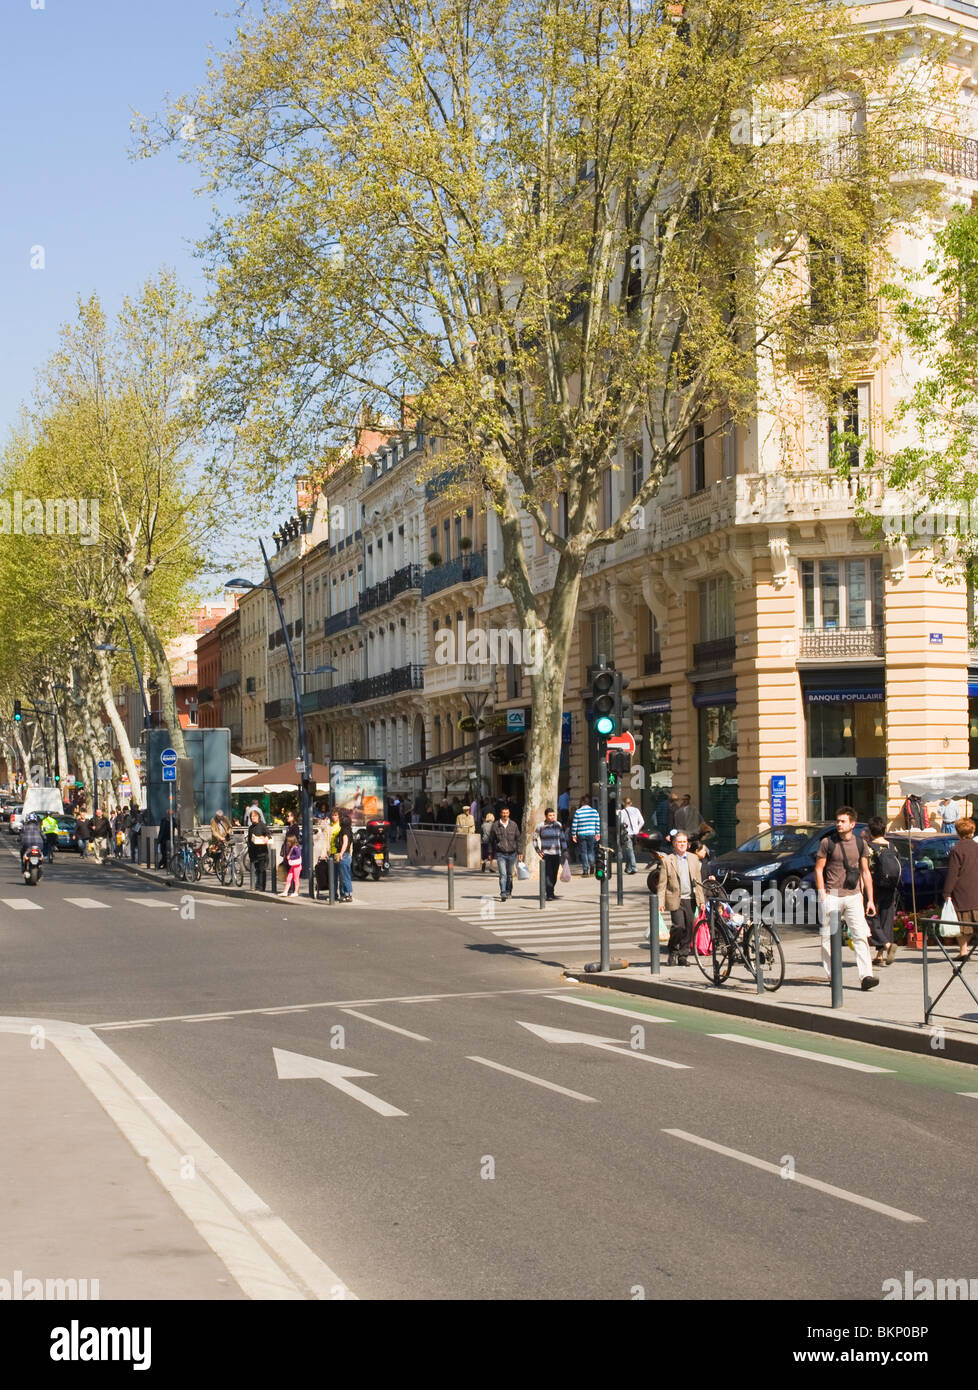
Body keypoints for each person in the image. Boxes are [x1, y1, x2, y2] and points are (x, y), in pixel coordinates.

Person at [814, 805, 878, 991]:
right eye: (838, 821)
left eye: (843, 821)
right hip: (832, 895)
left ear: (852, 824)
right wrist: (822, 894)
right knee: (827, 938)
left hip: (854, 896)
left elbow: (866, 873)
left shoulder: (860, 844)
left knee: (860, 936)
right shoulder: (827, 842)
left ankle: (866, 976)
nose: (839, 824)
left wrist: (870, 899)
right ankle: (833, 975)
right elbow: (819, 869)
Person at [657, 830, 705, 966]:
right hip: (675, 898)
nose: (682, 844)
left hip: (691, 898)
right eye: (679, 842)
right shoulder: (667, 860)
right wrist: (660, 902)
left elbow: (698, 881)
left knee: (689, 927)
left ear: (688, 844)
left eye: (684, 842)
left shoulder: (693, 858)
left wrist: (701, 901)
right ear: (674, 844)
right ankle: (672, 950)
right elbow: (662, 884)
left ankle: (683, 955)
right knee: (678, 926)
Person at [864, 816, 901, 967]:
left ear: (871, 832)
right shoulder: (892, 846)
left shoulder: (869, 847)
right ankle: (879, 956)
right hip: (891, 887)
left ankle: (886, 946)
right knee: (886, 918)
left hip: (874, 885)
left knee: (871, 917)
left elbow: (866, 869)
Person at [943, 817, 978, 961]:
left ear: (958, 831)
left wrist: (947, 892)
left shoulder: (956, 849)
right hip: (976, 888)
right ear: (972, 831)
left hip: (962, 890)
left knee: (962, 922)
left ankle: (963, 951)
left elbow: (953, 873)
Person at [487, 804, 522, 901]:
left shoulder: (514, 825)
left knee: (510, 875)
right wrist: (490, 853)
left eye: (506, 813)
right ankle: (503, 892)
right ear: (500, 814)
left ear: (509, 813)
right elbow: (491, 840)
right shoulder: (495, 825)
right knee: (503, 874)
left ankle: (508, 891)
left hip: (512, 853)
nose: (505, 815)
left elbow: (518, 839)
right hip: (500, 853)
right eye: (503, 813)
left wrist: (520, 852)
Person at [533, 808, 568, 900]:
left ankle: (551, 891)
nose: (552, 817)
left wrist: (565, 851)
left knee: (554, 874)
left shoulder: (558, 825)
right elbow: (534, 838)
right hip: (546, 854)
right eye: (550, 815)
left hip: (557, 853)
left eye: (553, 815)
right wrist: (538, 851)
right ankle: (549, 894)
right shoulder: (540, 826)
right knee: (548, 874)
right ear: (546, 816)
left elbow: (562, 838)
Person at [571, 796, 600, 875]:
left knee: (583, 852)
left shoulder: (578, 812)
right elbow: (597, 824)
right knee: (591, 850)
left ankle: (585, 869)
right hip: (591, 833)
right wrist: (597, 833)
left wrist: (573, 834)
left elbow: (574, 824)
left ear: (581, 802)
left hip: (581, 834)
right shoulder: (594, 811)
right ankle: (592, 864)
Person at [618, 796, 644, 874]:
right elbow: (642, 821)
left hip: (627, 833)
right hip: (636, 833)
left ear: (623, 803)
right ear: (631, 803)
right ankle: (628, 868)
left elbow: (621, 823)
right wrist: (637, 829)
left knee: (630, 850)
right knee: (631, 851)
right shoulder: (636, 810)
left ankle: (633, 867)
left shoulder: (622, 812)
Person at [247, 809, 270, 892]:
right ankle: (257, 886)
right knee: (257, 870)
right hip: (254, 852)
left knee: (262, 870)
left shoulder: (262, 825)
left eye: (254, 816)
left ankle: (261, 887)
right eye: (251, 816)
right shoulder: (250, 827)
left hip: (262, 852)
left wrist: (266, 837)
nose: (252, 818)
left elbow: (268, 834)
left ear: (258, 817)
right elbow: (249, 840)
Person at [335, 811, 354, 902]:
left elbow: (345, 842)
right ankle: (344, 894)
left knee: (345, 876)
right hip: (347, 855)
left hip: (344, 855)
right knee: (344, 876)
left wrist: (341, 853)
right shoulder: (349, 830)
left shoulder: (344, 831)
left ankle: (348, 894)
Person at [282, 831, 303, 896]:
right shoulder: (293, 847)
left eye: (288, 842)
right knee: (289, 878)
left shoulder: (296, 848)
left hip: (297, 866)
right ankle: (285, 891)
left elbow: (298, 855)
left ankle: (296, 892)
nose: (287, 843)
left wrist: (290, 857)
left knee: (296, 879)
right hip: (293, 865)